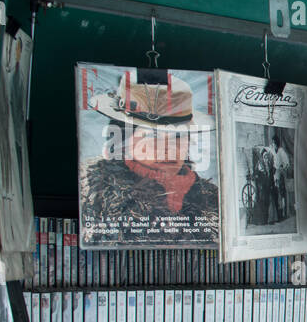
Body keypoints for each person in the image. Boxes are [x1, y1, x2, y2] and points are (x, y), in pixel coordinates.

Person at [81, 71, 218, 245]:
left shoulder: (214, 199)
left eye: (178, 136)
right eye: (154, 135)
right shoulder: (92, 191)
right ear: (126, 137)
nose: (168, 147)